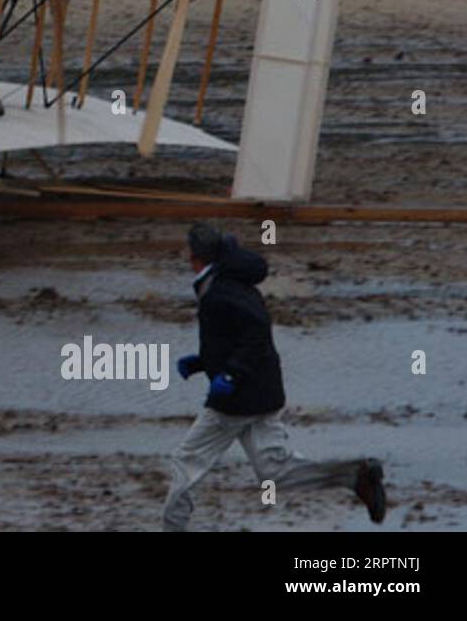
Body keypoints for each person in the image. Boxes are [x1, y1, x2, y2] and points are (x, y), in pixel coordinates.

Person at [163, 224, 387, 531]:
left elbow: (256, 331)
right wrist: (204, 363)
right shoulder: (230, 281)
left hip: (235, 402)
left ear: (197, 256)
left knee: (185, 462)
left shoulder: (219, 290)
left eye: (188, 250)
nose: (185, 255)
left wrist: (230, 374)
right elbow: (237, 335)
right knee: (274, 473)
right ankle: (355, 476)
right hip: (264, 394)